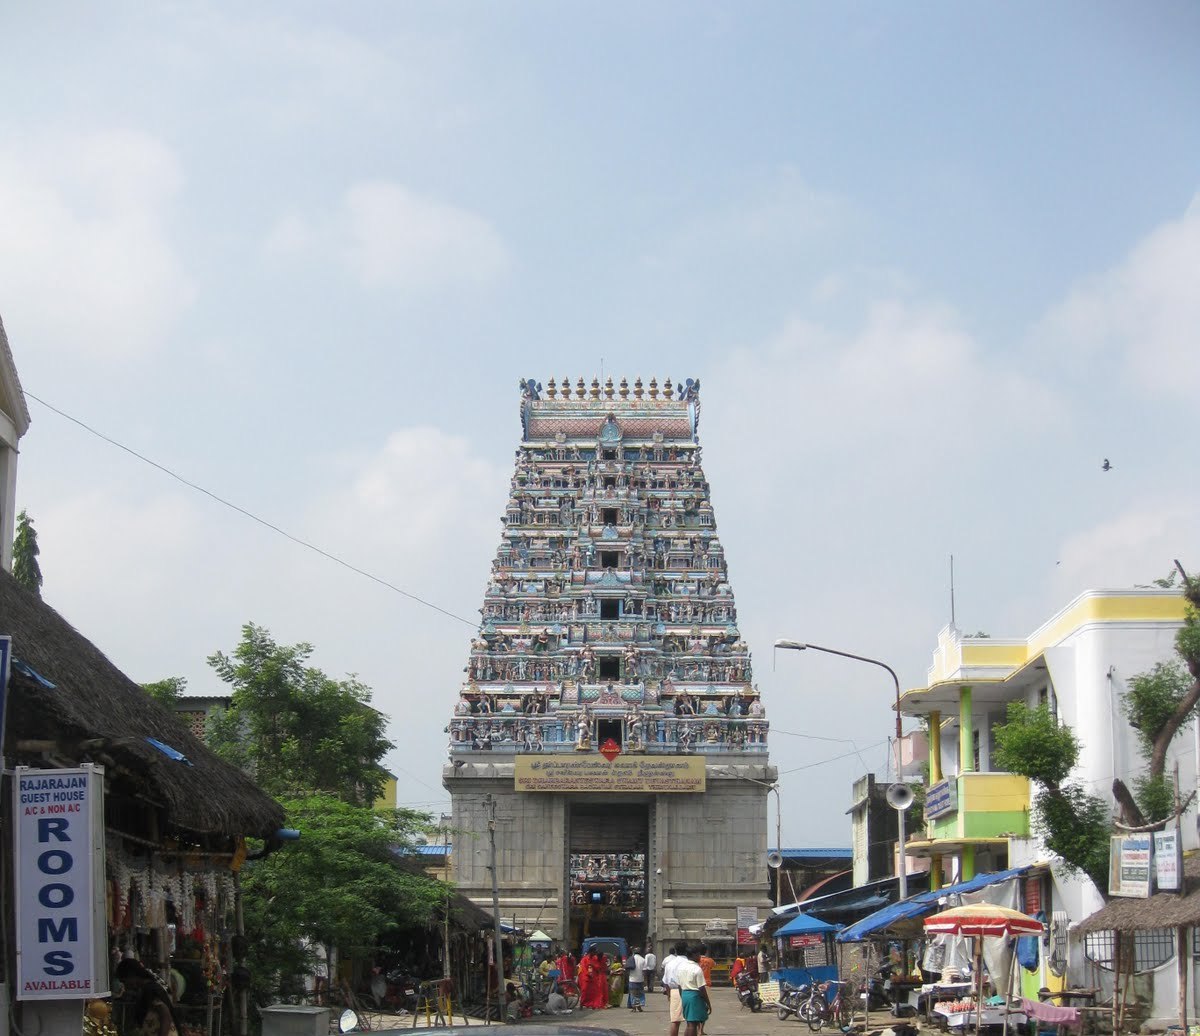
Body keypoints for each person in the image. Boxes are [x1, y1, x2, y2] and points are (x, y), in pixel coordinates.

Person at [116, 960, 183, 1036]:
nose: (125, 985)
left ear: (131, 975)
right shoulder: (147, 988)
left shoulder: (150, 990)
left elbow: (165, 1014)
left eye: (124, 981)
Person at [674, 946, 711, 1036]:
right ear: (693, 955)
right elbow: (701, 988)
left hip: (684, 994)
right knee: (693, 1024)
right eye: (698, 955)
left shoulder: (681, 967)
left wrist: (682, 997)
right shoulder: (696, 969)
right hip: (694, 996)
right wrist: (708, 1003)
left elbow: (679, 985)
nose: (700, 957)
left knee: (689, 1023)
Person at [660, 942, 687, 1036]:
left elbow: (666, 982)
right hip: (689, 991)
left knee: (675, 1021)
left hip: (674, 991)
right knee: (691, 1022)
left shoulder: (670, 964)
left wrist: (669, 995)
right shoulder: (690, 963)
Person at [626, 947, 647, 1012]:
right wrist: (645, 980)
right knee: (640, 994)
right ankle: (639, 1007)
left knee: (633, 994)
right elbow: (644, 971)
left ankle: (634, 1007)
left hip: (632, 979)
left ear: (634, 952)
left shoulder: (631, 958)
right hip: (640, 979)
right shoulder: (643, 960)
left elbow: (627, 969)